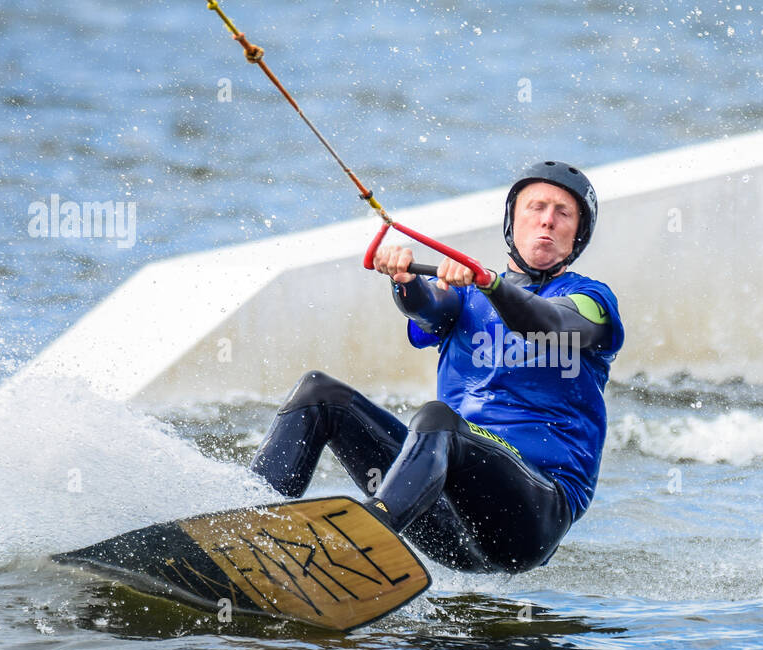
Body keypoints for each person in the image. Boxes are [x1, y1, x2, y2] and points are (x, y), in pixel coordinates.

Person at [250, 161, 624, 572]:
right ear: (512, 221)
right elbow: (430, 307)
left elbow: (545, 323)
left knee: (437, 420)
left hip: (531, 517)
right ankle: (247, 529)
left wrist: (489, 283)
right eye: (536, 207)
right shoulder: (467, 297)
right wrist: (405, 281)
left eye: (563, 213)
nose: (547, 220)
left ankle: (358, 548)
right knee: (318, 393)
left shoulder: (592, 302)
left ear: (579, 234)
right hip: (438, 508)